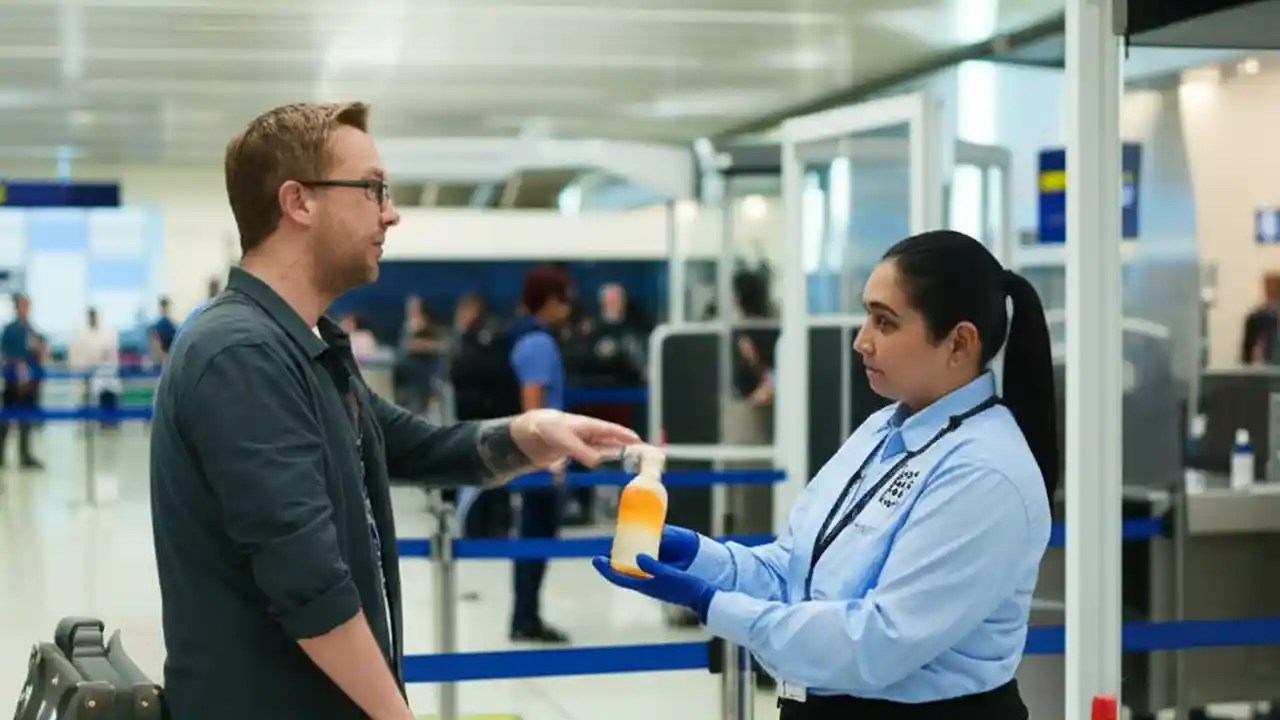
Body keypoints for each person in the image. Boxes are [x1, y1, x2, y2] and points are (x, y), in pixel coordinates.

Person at [149, 101, 639, 720]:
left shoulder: (305, 345)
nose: (391, 212)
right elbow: (308, 584)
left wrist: (534, 432)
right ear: (299, 202)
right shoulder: (241, 355)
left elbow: (415, 447)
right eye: (373, 189)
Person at [596, 230, 1057, 719]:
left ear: (959, 342)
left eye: (885, 322)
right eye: (867, 316)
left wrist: (713, 605)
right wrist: (700, 558)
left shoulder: (984, 472)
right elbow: (795, 571)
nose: (861, 341)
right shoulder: (883, 429)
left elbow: (877, 643)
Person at [507, 265, 575, 643]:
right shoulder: (538, 343)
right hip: (538, 462)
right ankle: (525, 617)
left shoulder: (530, 337)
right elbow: (533, 406)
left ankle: (527, 613)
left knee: (535, 537)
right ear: (551, 300)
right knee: (534, 537)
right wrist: (548, 459)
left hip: (537, 460)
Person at [0, 293, 44, 469]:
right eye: (25, 306)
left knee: (25, 420)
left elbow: (35, 350)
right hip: (13, 380)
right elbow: (7, 353)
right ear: (18, 307)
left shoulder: (30, 328)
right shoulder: (11, 329)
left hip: (29, 382)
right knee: (6, 420)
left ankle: (25, 456)